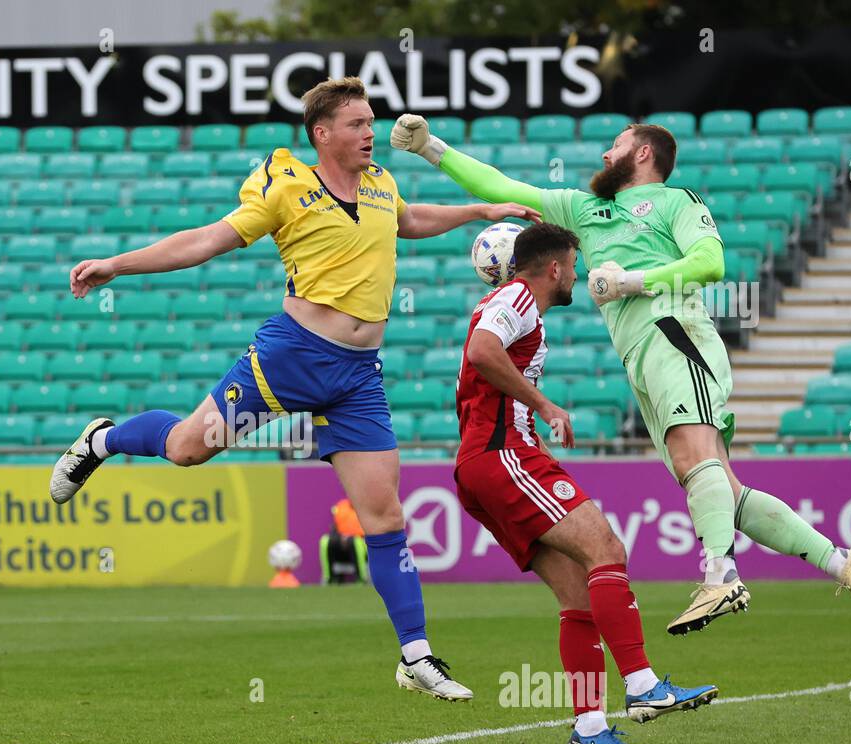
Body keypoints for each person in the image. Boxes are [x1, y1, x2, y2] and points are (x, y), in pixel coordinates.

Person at [53, 76, 542, 703]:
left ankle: (416, 654)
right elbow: (206, 240)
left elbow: (410, 220)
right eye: (358, 124)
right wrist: (116, 264)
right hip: (289, 359)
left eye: (371, 122)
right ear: (322, 134)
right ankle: (104, 439)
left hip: (357, 379)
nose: (371, 133)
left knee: (385, 515)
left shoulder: (380, 185)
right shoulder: (288, 189)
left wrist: (479, 210)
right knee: (185, 450)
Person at [392, 116, 851, 635]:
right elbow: (503, 188)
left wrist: (634, 280)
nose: (606, 155)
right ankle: (844, 562)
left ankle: (720, 576)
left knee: (698, 466)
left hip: (676, 334)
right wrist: (431, 149)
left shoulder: (676, 201)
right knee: (723, 491)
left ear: (645, 153)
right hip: (641, 358)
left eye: (616, 146)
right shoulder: (583, 210)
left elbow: (710, 262)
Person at [454, 221, 717, 744]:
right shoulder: (520, 295)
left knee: (578, 593)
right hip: (504, 454)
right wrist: (546, 406)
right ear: (554, 267)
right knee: (608, 549)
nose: (576, 274)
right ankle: (643, 686)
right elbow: (482, 352)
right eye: (572, 265)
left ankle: (590, 729)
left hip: (484, 460)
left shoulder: (508, 301)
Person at [320, 498, 368, 584]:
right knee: (325, 541)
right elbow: (336, 527)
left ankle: (361, 579)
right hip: (341, 539)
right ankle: (329, 578)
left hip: (362, 539)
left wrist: (350, 537)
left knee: (356, 542)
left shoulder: (367, 506)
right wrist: (341, 537)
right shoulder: (341, 506)